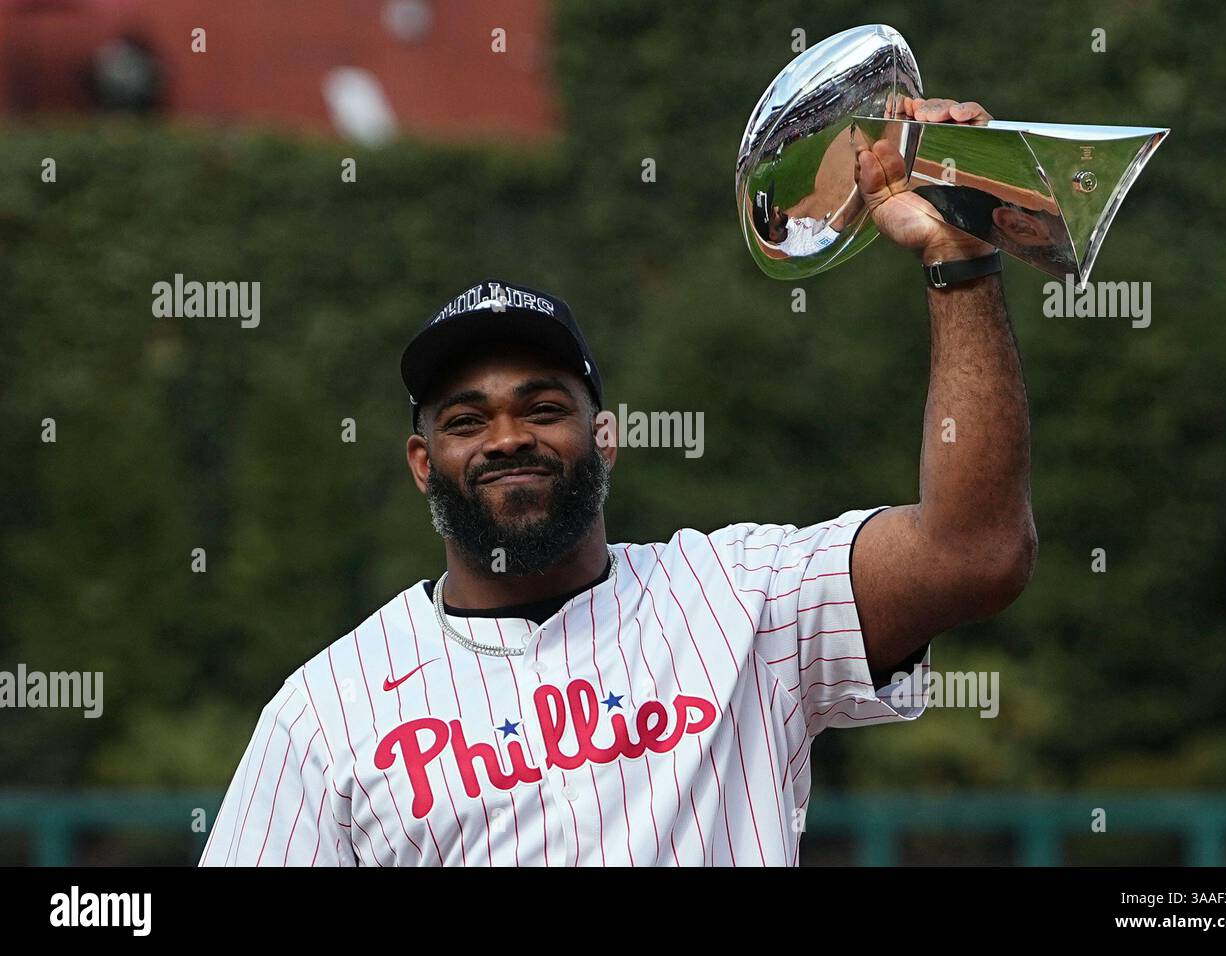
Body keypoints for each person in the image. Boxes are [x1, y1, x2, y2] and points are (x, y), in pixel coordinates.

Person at [200, 96, 1035, 867]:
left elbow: (976, 554)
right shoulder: (325, 713)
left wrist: (957, 263)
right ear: (424, 463)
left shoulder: (741, 600)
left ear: (606, 438)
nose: (507, 439)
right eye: (466, 420)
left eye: (542, 407)